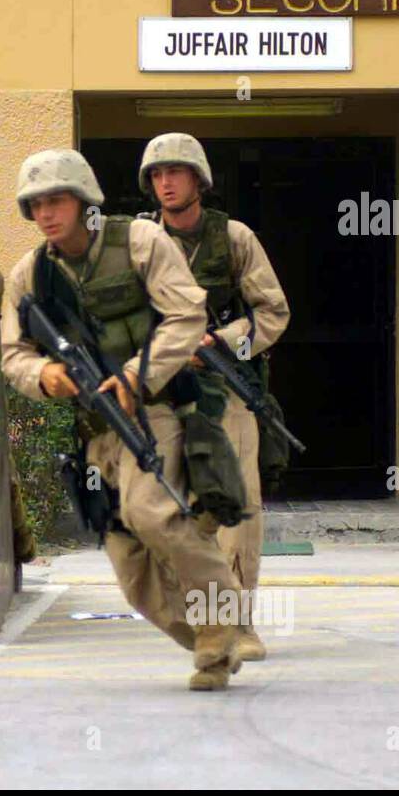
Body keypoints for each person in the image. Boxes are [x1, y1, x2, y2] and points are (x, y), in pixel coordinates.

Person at [0, 148, 244, 691]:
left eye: (56, 200)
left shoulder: (139, 242)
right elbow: (11, 353)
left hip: (155, 407)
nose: (45, 213)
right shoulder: (30, 277)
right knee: (131, 574)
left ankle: (217, 625)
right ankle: (211, 643)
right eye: (35, 204)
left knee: (153, 512)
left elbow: (186, 314)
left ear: (84, 200)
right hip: (95, 434)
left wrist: (136, 376)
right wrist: (44, 375)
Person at [137, 133, 290, 661]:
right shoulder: (137, 242)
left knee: (238, 504)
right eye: (157, 175)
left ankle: (239, 623)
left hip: (224, 388)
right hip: (162, 392)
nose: (165, 182)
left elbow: (272, 312)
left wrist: (220, 343)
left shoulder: (235, 238)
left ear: (198, 179)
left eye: (175, 172)